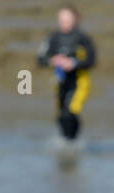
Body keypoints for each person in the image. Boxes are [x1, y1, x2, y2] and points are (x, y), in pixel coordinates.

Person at [37, 6, 95, 141]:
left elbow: (91, 60)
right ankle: (68, 142)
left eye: (68, 19)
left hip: (80, 82)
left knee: (70, 112)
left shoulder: (83, 39)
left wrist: (73, 63)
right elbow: (41, 59)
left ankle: (72, 141)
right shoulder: (53, 38)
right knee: (61, 115)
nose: (64, 22)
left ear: (76, 19)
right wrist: (53, 60)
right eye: (61, 19)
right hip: (60, 82)